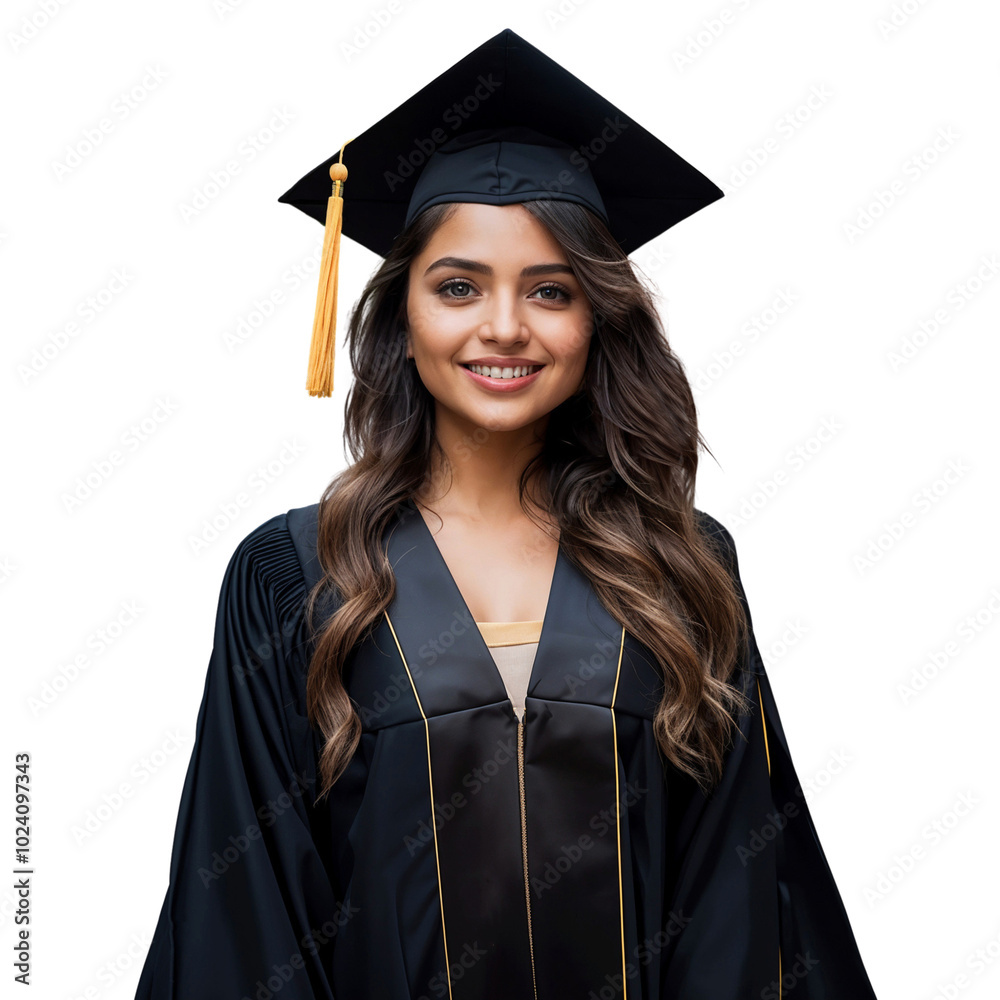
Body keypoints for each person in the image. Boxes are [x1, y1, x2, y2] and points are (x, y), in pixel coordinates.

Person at [134, 28, 879, 1000]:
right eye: (457, 287)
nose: (502, 327)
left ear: (595, 319)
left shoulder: (683, 565)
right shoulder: (297, 573)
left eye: (549, 290)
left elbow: (737, 889)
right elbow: (247, 912)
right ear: (402, 314)